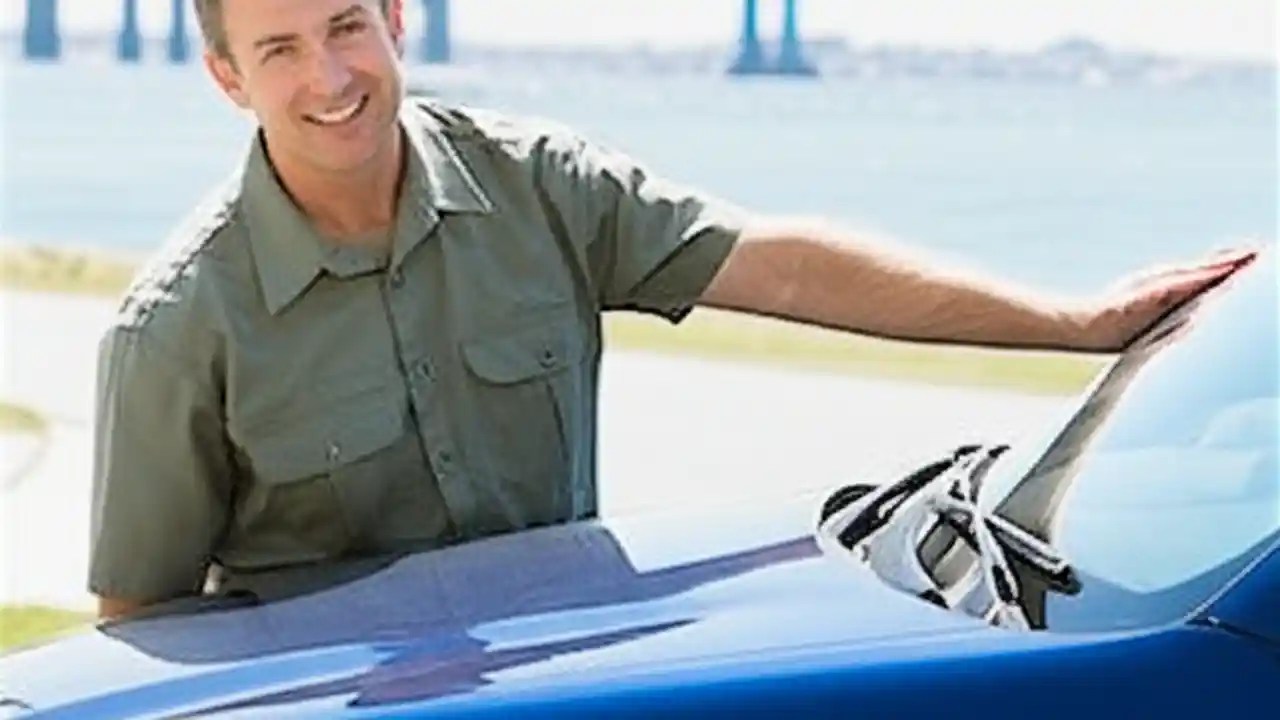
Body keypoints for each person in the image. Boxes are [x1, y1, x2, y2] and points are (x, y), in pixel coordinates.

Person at [88, 0, 1256, 621]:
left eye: (345, 25)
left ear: (397, 18)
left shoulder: (537, 188)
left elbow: (780, 266)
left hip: (573, 691)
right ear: (229, 79)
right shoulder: (177, 328)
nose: (328, 77)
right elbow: (137, 626)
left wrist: (1071, 323)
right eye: (280, 49)